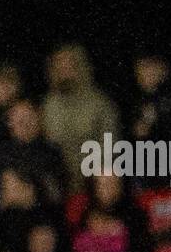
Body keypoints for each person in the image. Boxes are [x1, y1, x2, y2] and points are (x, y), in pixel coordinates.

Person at [41, 43, 120, 187]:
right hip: (60, 185)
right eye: (59, 67)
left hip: (92, 183)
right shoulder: (48, 105)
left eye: (69, 66)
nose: (64, 72)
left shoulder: (100, 104)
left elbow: (109, 146)